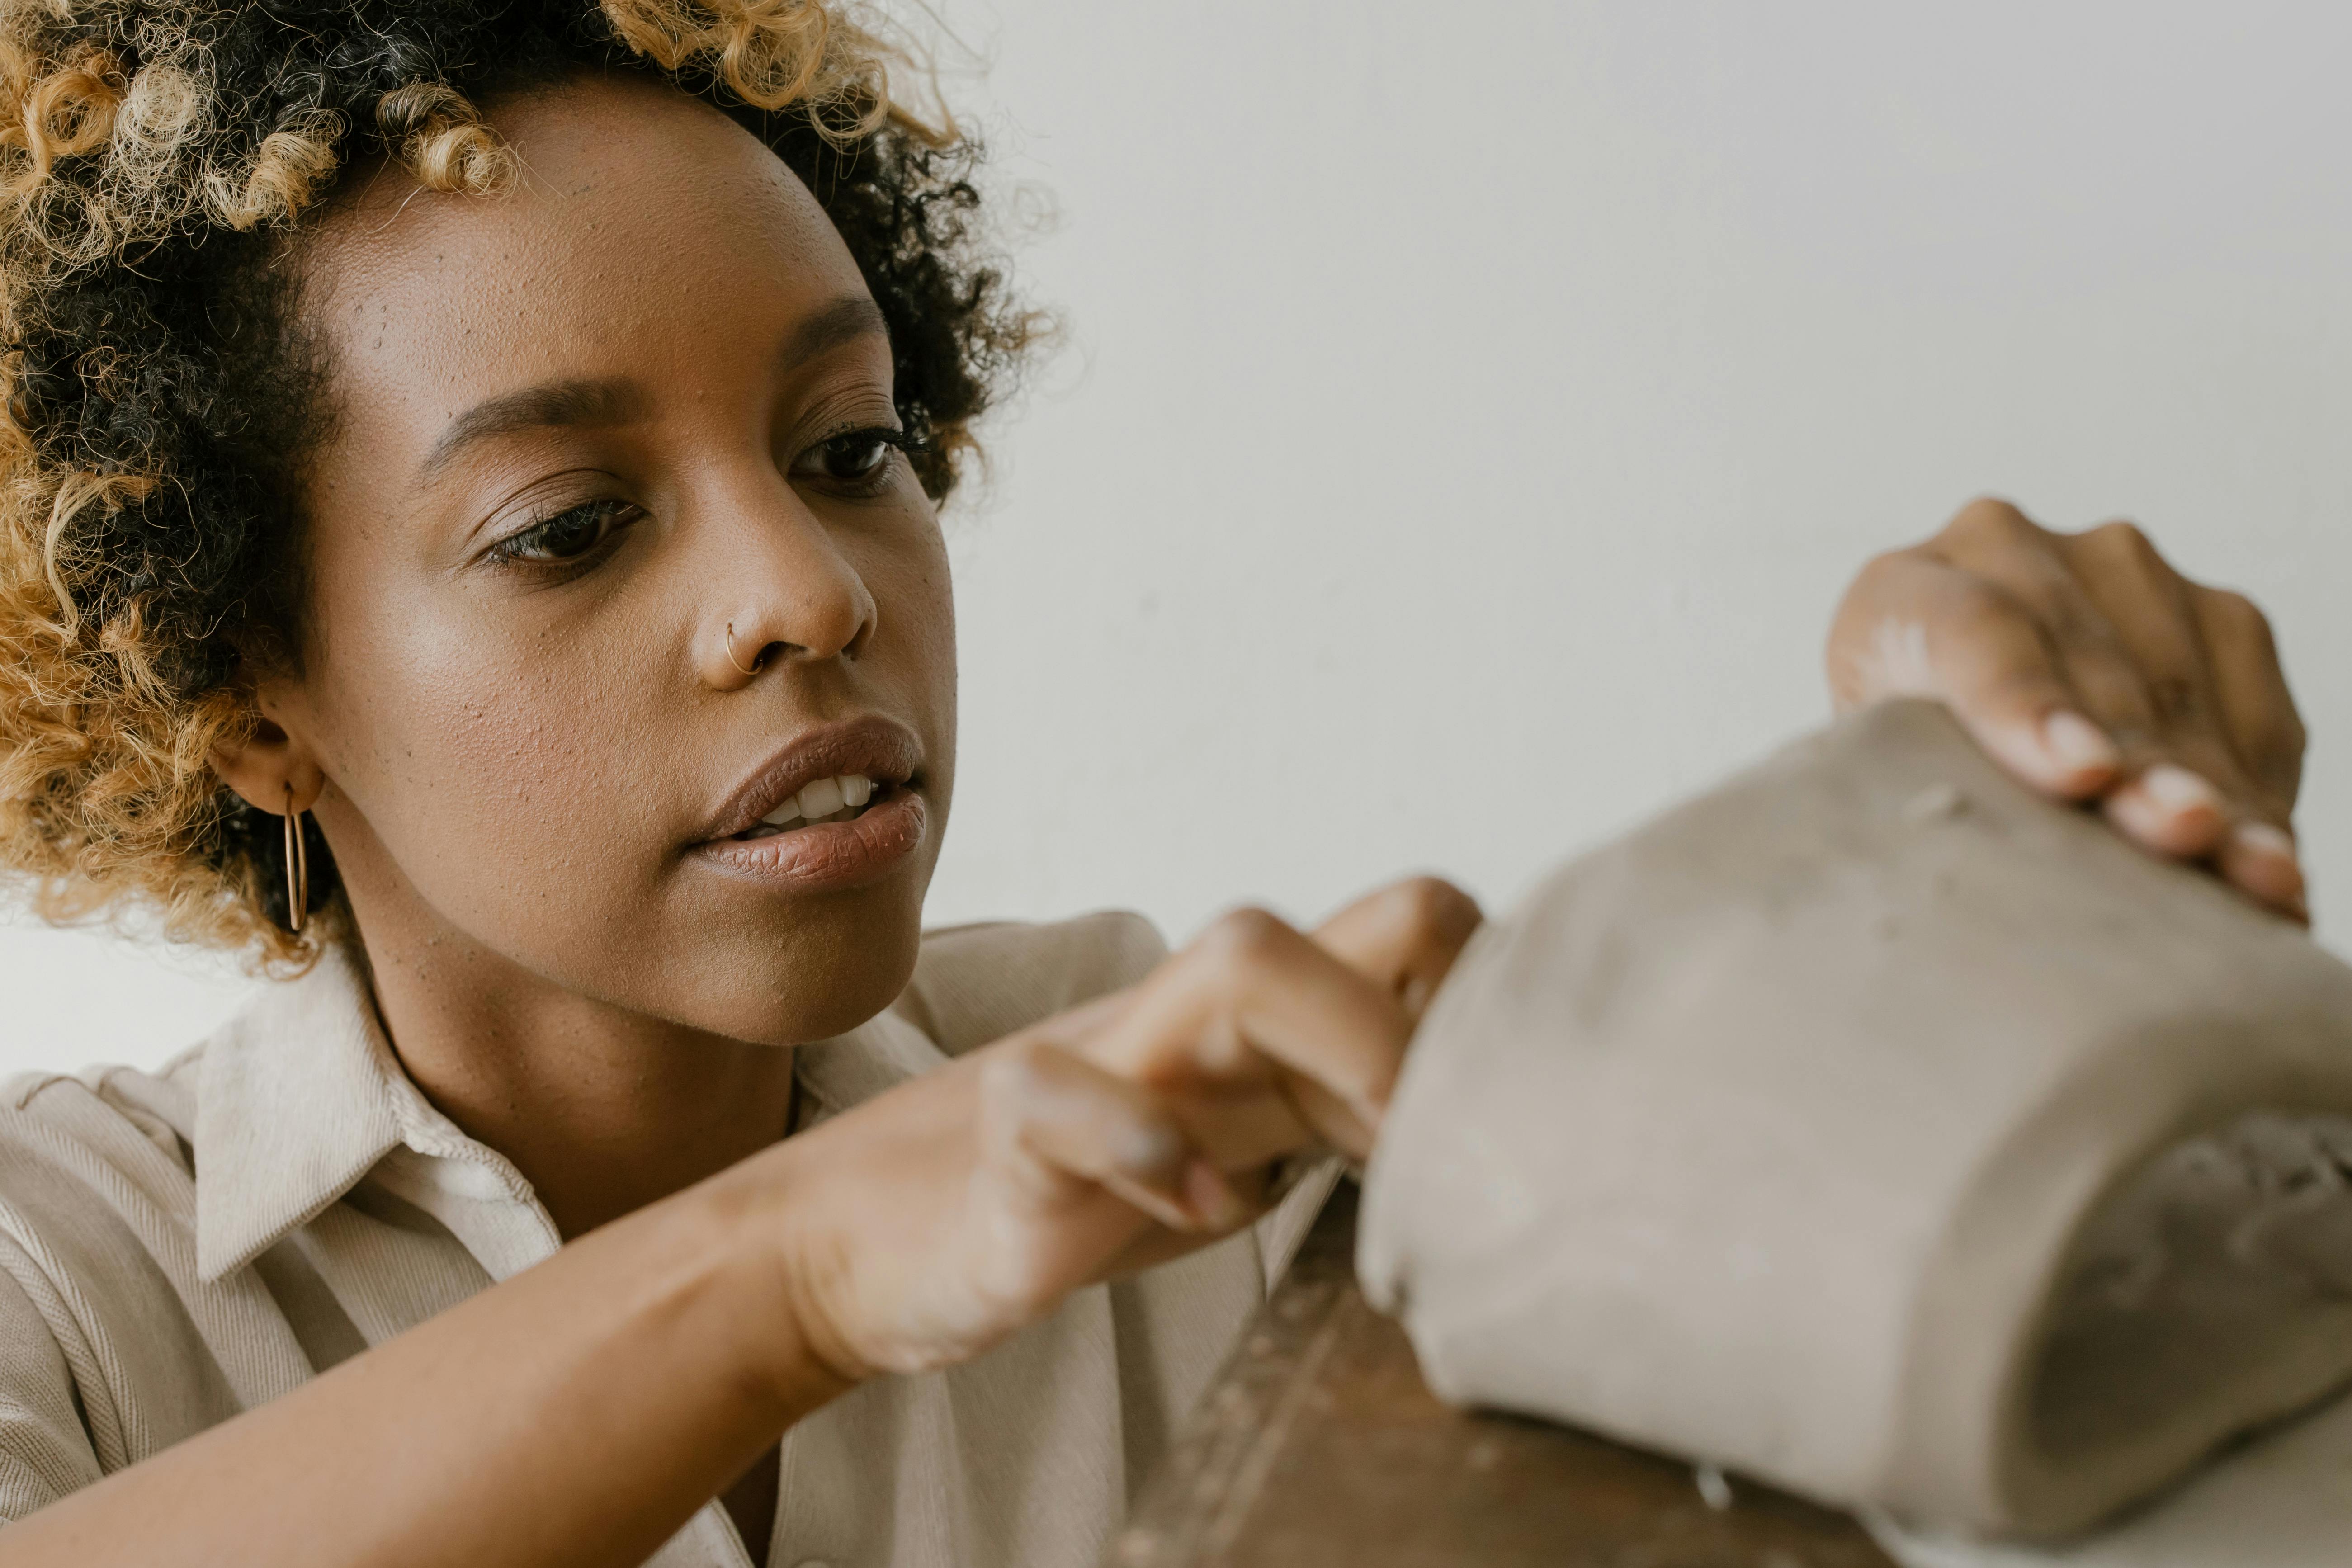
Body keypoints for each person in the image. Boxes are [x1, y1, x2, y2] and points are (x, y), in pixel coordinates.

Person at [0, 4, 2309, 1565]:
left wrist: (1974, 820)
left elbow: (2121, 1307)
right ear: (243, 692)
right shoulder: (76, 1284)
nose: (806, 589)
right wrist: (798, 1272)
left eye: (851, 448)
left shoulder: (1228, 1141)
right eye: (569, 530)